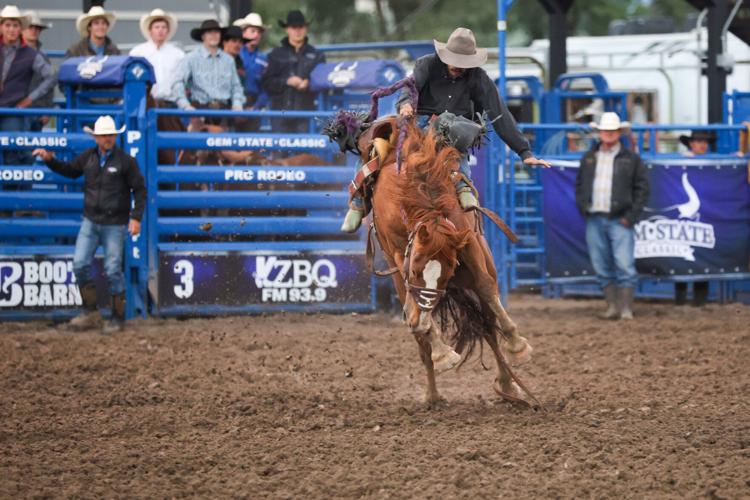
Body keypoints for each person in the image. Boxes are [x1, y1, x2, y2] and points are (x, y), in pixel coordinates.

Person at [340, 27, 550, 233]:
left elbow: (499, 113)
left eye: (463, 63)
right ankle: (358, 201)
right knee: (377, 143)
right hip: (417, 121)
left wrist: (524, 152)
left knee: (457, 137)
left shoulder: (478, 78)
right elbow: (409, 87)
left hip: (455, 127)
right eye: (455, 61)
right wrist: (405, 104)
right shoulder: (428, 64)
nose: (458, 66)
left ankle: (462, 184)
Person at [32, 115, 146, 334]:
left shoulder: (125, 162)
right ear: (96, 138)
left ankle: (116, 317)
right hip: (91, 221)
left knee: (113, 269)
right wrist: (50, 160)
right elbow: (70, 170)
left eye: (110, 135)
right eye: (104, 135)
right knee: (80, 264)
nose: (107, 139)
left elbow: (139, 190)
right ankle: (90, 312)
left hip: (114, 223)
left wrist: (136, 217)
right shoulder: (88, 158)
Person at [575, 112, 650, 320]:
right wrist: (584, 206)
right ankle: (614, 307)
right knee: (601, 265)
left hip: (620, 218)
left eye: (612, 130)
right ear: (599, 132)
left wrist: (631, 216)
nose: (608, 134)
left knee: (624, 264)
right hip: (595, 216)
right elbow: (580, 185)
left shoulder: (631, 159)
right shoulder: (589, 158)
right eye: (605, 130)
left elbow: (642, 189)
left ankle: (624, 308)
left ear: (619, 133)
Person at [0, 5, 55, 164]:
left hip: (13, 111)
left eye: (15, 25)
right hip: (13, 111)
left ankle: (13, 189)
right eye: (7, 25)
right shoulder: (32, 53)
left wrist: (30, 99)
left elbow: (50, 77)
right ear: (2, 27)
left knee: (13, 154)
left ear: (20, 29)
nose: (11, 29)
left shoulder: (31, 54)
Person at [261, 10, 325, 134]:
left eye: (300, 27)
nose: (297, 30)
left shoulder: (317, 55)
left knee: (304, 152)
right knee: (280, 151)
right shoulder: (275, 54)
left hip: (306, 114)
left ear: (305, 28)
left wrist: (309, 83)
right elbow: (266, 83)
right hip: (279, 114)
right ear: (287, 29)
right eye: (294, 27)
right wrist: (287, 81)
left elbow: (323, 82)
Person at [173, 19, 245, 128]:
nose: (213, 35)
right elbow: (177, 82)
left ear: (220, 35)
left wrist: (237, 104)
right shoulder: (191, 58)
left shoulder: (228, 60)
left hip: (224, 112)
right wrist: (185, 105)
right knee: (197, 144)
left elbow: (236, 86)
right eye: (209, 32)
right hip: (199, 111)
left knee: (225, 143)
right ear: (203, 36)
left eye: (216, 32)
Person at [675, 129, 715, 306]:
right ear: (691, 143)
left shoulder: (713, 161)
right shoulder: (682, 160)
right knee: (682, 252)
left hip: (702, 213)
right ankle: (682, 298)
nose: (702, 144)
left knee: (700, 253)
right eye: (699, 141)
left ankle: (698, 299)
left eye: (705, 141)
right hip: (694, 213)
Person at [130, 8, 184, 108]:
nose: (160, 30)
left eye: (164, 27)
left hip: (170, 103)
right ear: (150, 30)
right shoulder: (138, 53)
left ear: (168, 30)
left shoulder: (178, 54)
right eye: (157, 27)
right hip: (146, 103)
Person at [234, 12, 268, 131]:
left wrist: (257, 107)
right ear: (244, 33)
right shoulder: (234, 55)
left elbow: (266, 87)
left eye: (259, 32)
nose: (256, 35)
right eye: (253, 31)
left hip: (254, 107)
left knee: (252, 146)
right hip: (233, 107)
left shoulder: (263, 59)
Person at [22, 10, 55, 132]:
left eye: (37, 28)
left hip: (38, 111)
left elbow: (50, 87)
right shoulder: (15, 53)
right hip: (21, 110)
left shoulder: (44, 57)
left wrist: (47, 110)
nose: (34, 30)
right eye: (30, 27)